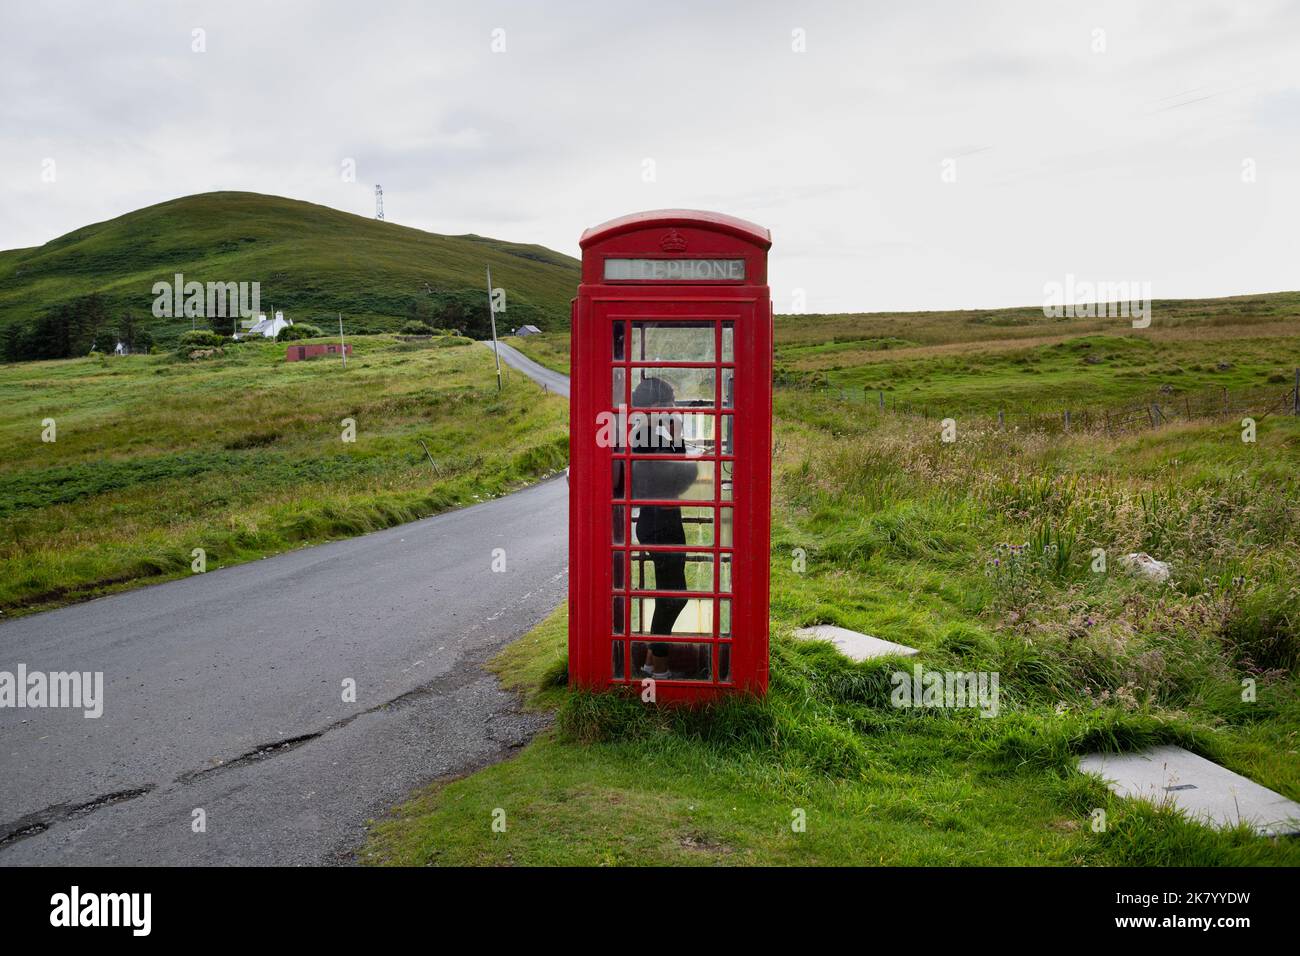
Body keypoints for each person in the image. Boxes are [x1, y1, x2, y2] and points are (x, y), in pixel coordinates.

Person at [628, 377, 696, 677]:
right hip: (660, 523)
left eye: (673, 402)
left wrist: (677, 433)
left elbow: (672, 467)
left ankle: (648, 662)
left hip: (659, 520)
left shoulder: (650, 432)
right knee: (674, 595)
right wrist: (699, 464)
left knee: (668, 593)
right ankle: (661, 670)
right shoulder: (648, 434)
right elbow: (676, 477)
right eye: (666, 404)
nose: (673, 408)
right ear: (651, 408)